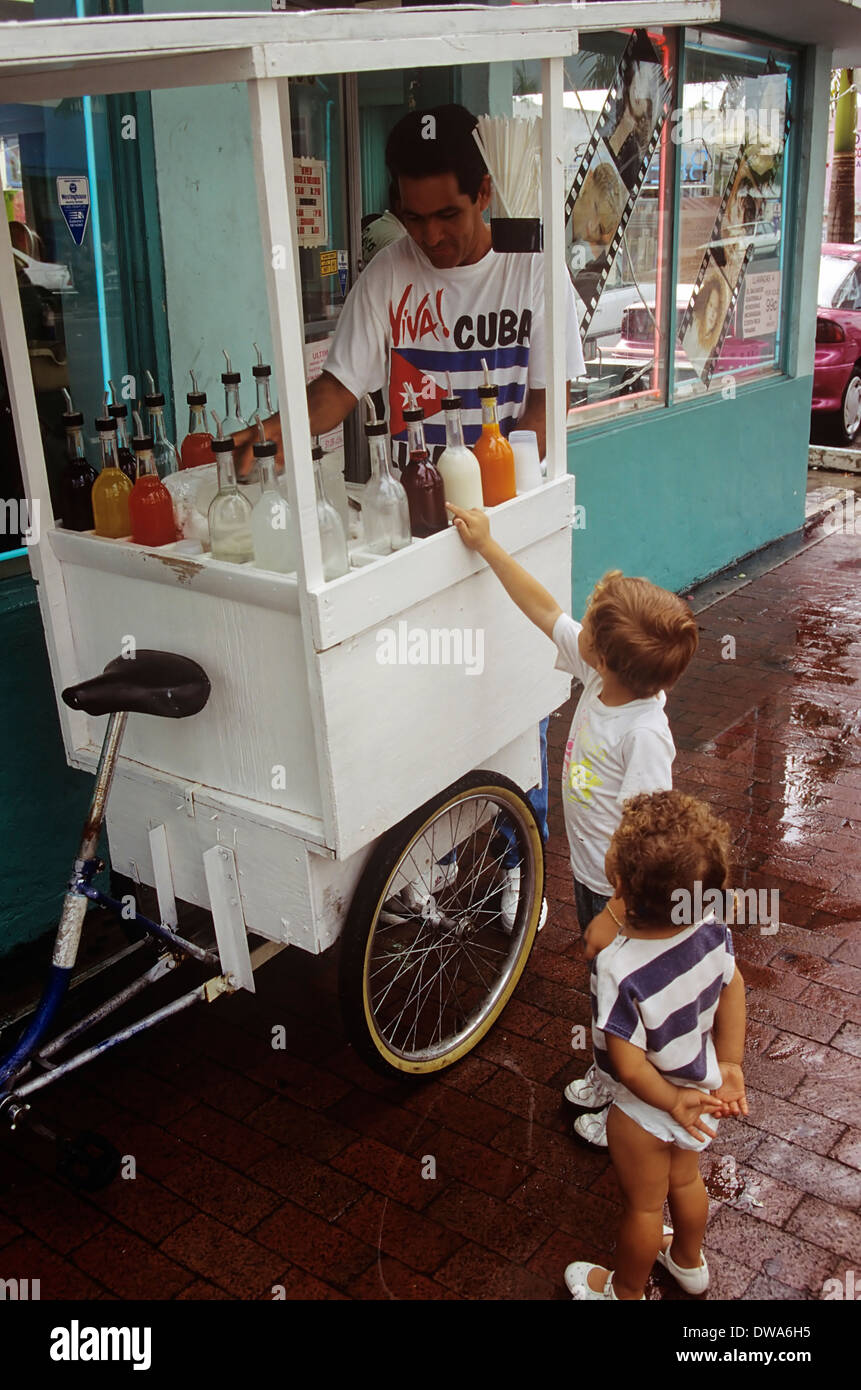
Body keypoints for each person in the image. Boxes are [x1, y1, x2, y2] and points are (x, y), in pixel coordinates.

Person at [245, 103, 585, 927]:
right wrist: (258, 439)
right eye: (412, 217)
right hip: (415, 522)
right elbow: (335, 391)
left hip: (506, 524)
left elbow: (545, 413)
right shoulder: (388, 276)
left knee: (512, 693)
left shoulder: (533, 272)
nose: (430, 237)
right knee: (416, 693)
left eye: (448, 216)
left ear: (483, 194)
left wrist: (500, 509)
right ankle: (419, 865)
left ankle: (519, 863)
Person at [446, 503, 699, 1146]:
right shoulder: (599, 673)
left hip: (624, 895)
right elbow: (539, 607)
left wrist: (619, 907)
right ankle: (606, 1072)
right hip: (591, 877)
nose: (578, 622)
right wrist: (490, 546)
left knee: (622, 994)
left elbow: (650, 836)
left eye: (590, 622)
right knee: (601, 987)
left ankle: (629, 1113)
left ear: (608, 658)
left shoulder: (643, 731)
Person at [563, 789, 748, 1301]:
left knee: (644, 1207)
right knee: (686, 1182)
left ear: (621, 887)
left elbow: (626, 1062)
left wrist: (668, 1102)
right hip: (701, 1091)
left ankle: (622, 1292)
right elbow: (733, 988)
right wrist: (729, 1063)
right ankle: (689, 1263)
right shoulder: (713, 929)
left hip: (648, 1109)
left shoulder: (620, 968)